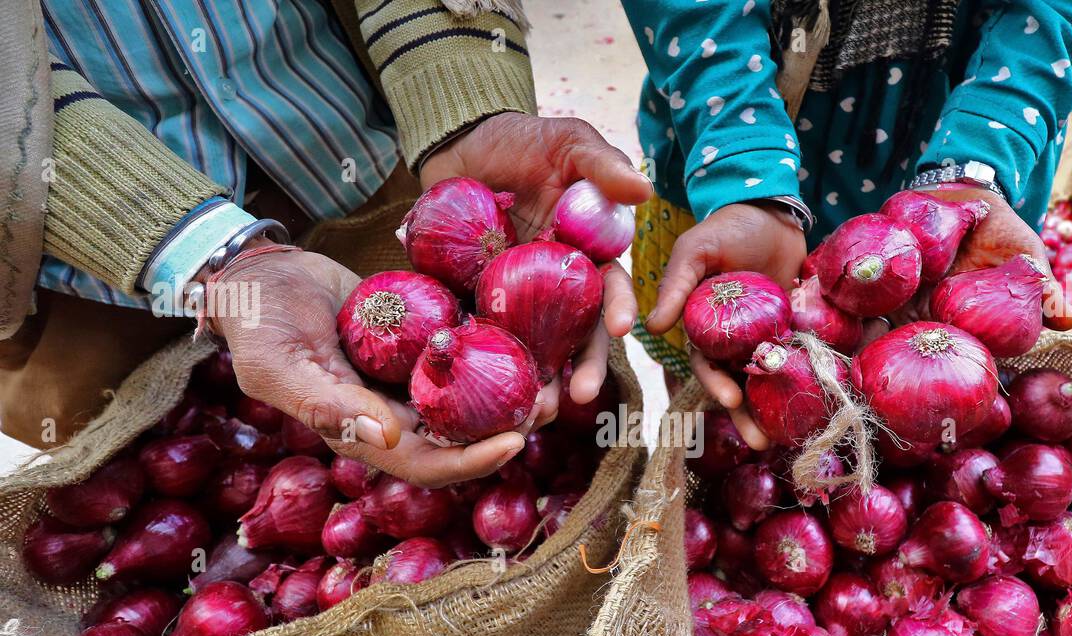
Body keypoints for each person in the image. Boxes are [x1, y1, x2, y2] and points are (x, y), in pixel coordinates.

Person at [4, 1, 650, 486]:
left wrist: (464, 103)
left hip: (365, 144)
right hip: (78, 263)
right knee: (128, 463)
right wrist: (214, 256)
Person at [621, 0, 1072, 447]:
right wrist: (742, 169)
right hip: (729, 132)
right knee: (719, 418)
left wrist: (980, 157)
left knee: (921, 425)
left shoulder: (966, 221)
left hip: (971, 143)